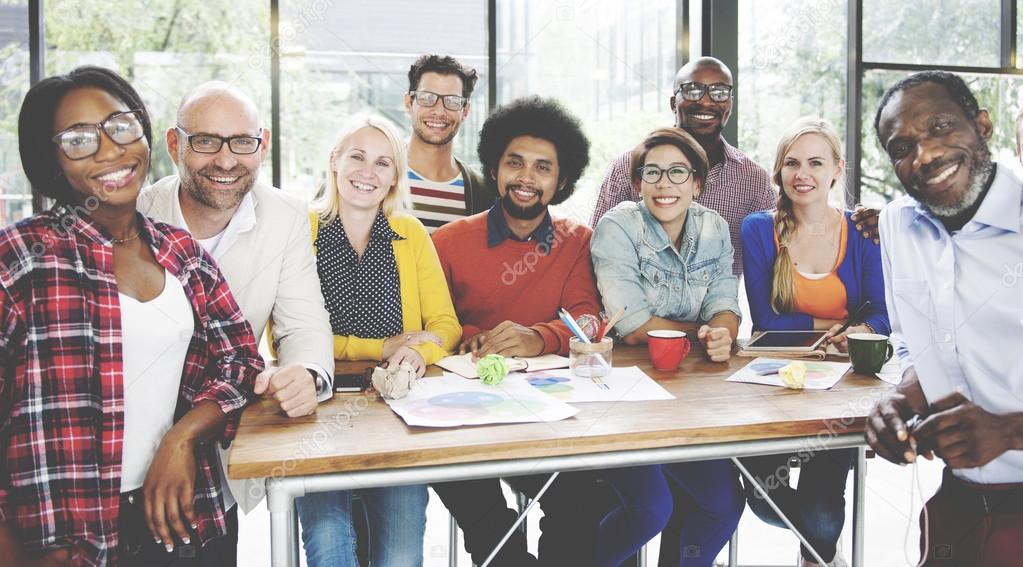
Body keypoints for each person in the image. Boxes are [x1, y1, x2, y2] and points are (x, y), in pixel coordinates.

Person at [1, 66, 263, 566]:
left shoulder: (181, 252)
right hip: (64, 541)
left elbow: (240, 362)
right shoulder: (22, 257)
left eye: (121, 127)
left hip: (186, 518)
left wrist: (182, 437)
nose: (109, 150)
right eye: (78, 140)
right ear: (50, 159)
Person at [138, 81, 334, 519]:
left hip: (222, 442)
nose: (226, 160)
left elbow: (303, 324)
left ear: (262, 146)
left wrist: (306, 373)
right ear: (175, 144)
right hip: (130, 444)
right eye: (206, 141)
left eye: (242, 142)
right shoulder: (137, 212)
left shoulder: (286, 216)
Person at [430, 96, 605, 566]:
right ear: (494, 168)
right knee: (479, 506)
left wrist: (539, 336)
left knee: (580, 496)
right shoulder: (445, 242)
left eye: (543, 168)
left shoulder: (578, 241)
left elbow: (588, 320)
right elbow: (429, 321)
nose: (527, 178)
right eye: (515, 163)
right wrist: (469, 334)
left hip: (547, 417)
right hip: (463, 420)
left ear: (561, 180)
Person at [867, 70, 1023, 565]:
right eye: (902, 146)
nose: (926, 155)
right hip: (956, 508)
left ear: (982, 126)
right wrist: (898, 400)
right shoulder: (897, 225)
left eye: (939, 127)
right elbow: (921, 349)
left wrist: (1009, 431)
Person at [295, 113, 460, 567]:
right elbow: (286, 335)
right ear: (334, 160)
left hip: (395, 411)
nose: (368, 172)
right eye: (357, 157)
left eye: (383, 163)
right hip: (319, 411)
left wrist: (416, 351)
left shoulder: (411, 234)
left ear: (394, 177)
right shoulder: (300, 229)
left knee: (402, 556)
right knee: (330, 549)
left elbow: (445, 324)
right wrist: (380, 348)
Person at [590, 127, 745, 566]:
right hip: (624, 397)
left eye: (678, 172)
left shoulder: (713, 226)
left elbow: (724, 301)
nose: (664, 184)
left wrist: (723, 333)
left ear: (697, 183)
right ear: (637, 183)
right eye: (652, 173)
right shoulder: (618, 225)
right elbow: (633, 322)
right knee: (652, 509)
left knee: (724, 503)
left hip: (688, 397)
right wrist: (703, 332)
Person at [740, 117, 890, 567]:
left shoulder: (861, 232)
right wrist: (842, 324)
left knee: (824, 513)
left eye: (815, 163)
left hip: (842, 387)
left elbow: (881, 313)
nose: (802, 174)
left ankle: (818, 554)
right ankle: (822, 547)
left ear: (836, 169)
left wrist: (856, 330)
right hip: (777, 382)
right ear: (779, 171)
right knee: (764, 496)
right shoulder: (757, 229)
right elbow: (767, 323)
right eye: (792, 163)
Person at [589, 56, 775, 277]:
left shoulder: (753, 178)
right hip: (634, 306)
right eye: (693, 90)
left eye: (719, 92)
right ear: (672, 103)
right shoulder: (627, 167)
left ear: (730, 104)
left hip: (718, 308)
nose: (706, 101)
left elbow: (771, 262)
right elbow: (594, 253)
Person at [405, 54, 493, 232]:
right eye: (427, 98)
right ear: (409, 103)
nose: (438, 111)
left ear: (465, 111)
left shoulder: (482, 193)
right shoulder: (378, 174)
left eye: (452, 101)